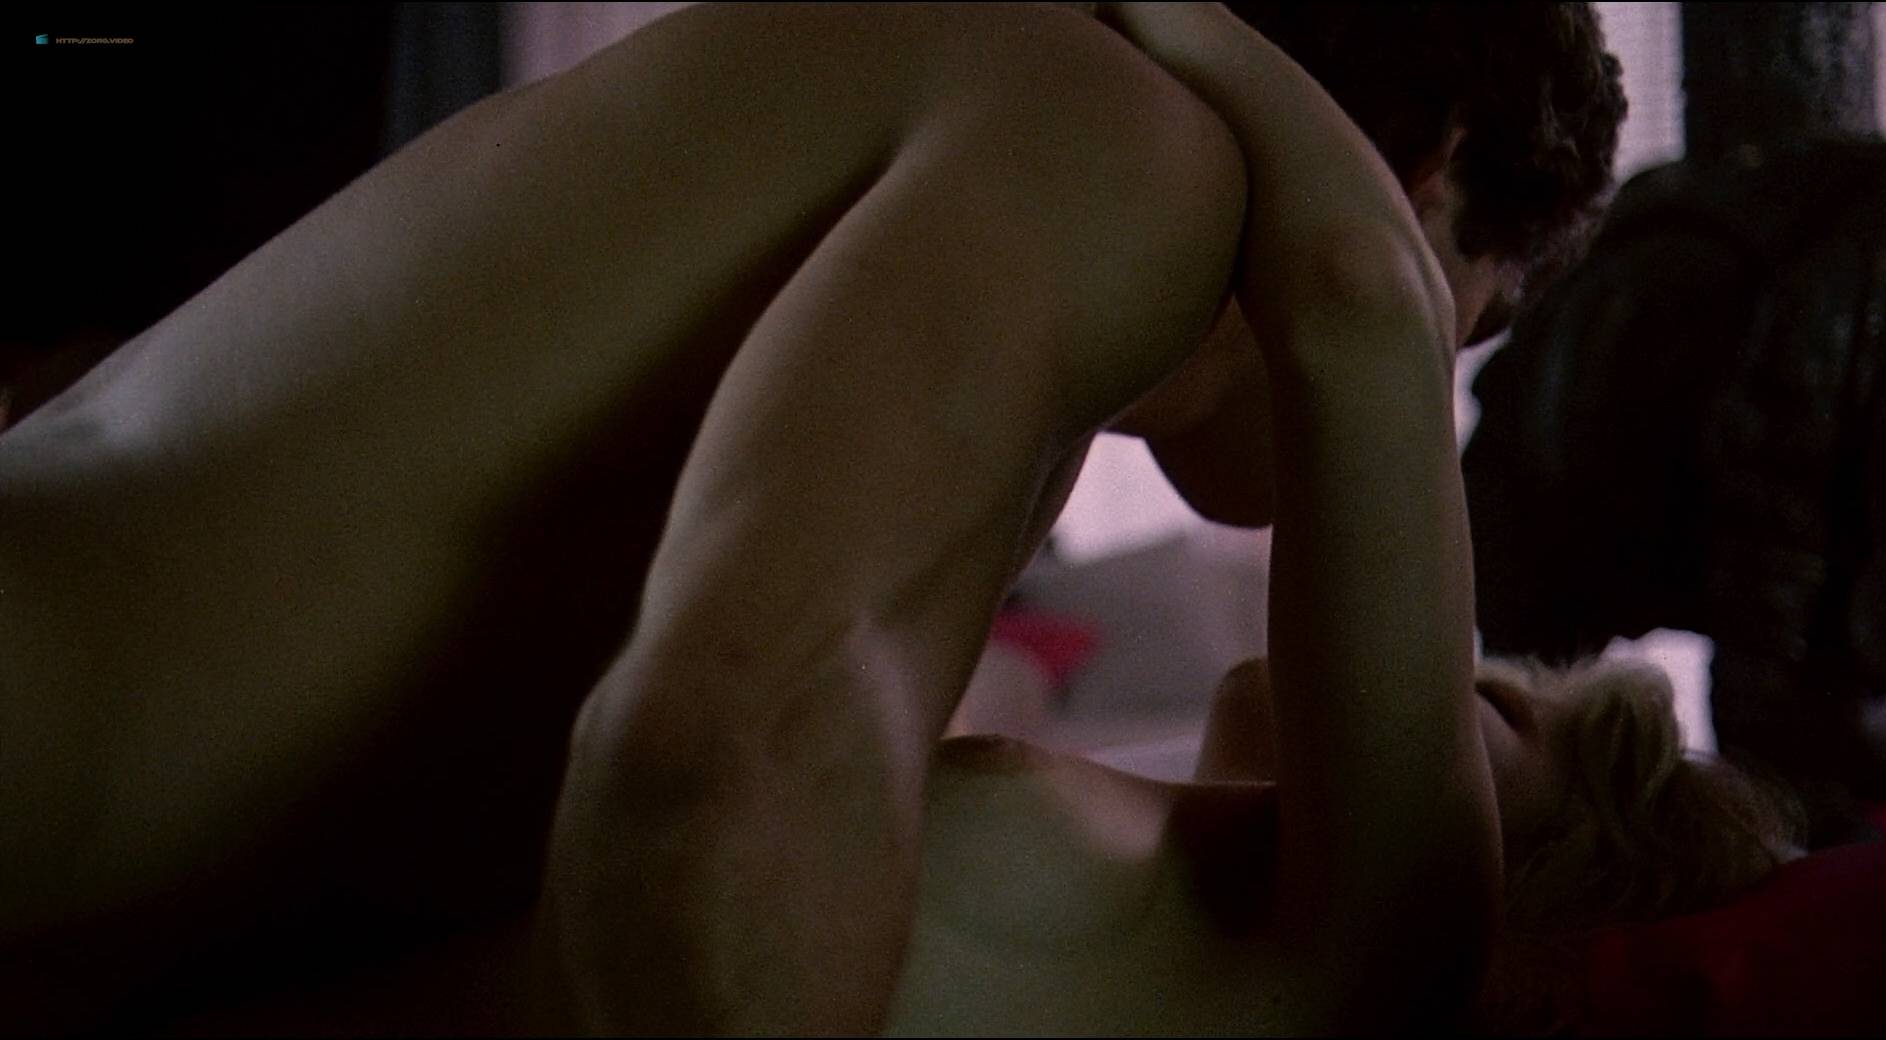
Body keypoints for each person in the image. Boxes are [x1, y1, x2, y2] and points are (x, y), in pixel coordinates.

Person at [0, 3, 1738, 1034]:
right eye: (1466, 329)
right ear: (1424, 178)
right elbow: (711, 781)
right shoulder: (1129, 160)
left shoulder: (986, 116)